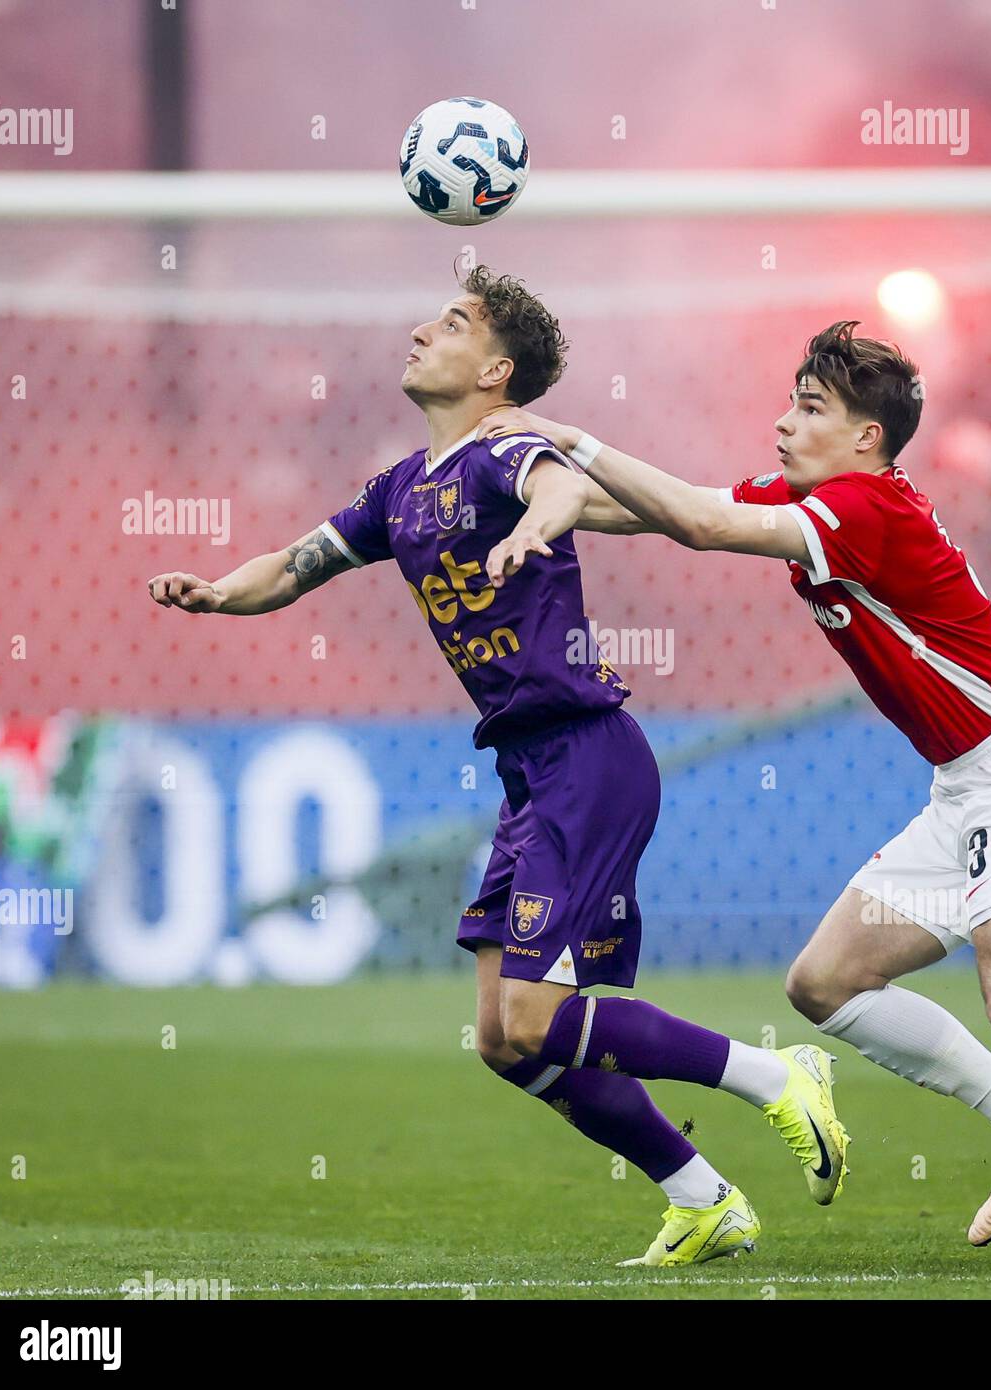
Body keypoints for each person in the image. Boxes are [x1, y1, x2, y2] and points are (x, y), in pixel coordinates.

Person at [146, 266, 850, 1268]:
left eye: (453, 323)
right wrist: (219, 590)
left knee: (537, 1016)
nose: (421, 330)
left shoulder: (505, 448)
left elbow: (557, 480)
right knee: (502, 1041)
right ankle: (702, 1196)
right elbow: (297, 562)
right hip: (531, 776)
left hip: (591, 760)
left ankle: (777, 1078)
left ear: (496, 369)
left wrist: (534, 523)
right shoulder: (402, 490)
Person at [477, 320, 991, 1273]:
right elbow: (651, 511)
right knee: (824, 982)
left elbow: (700, 522)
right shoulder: (815, 499)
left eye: (810, 409)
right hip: (966, 788)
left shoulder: (866, 508)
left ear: (867, 437)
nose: (782, 423)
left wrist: (568, 436)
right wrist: (518, 487)